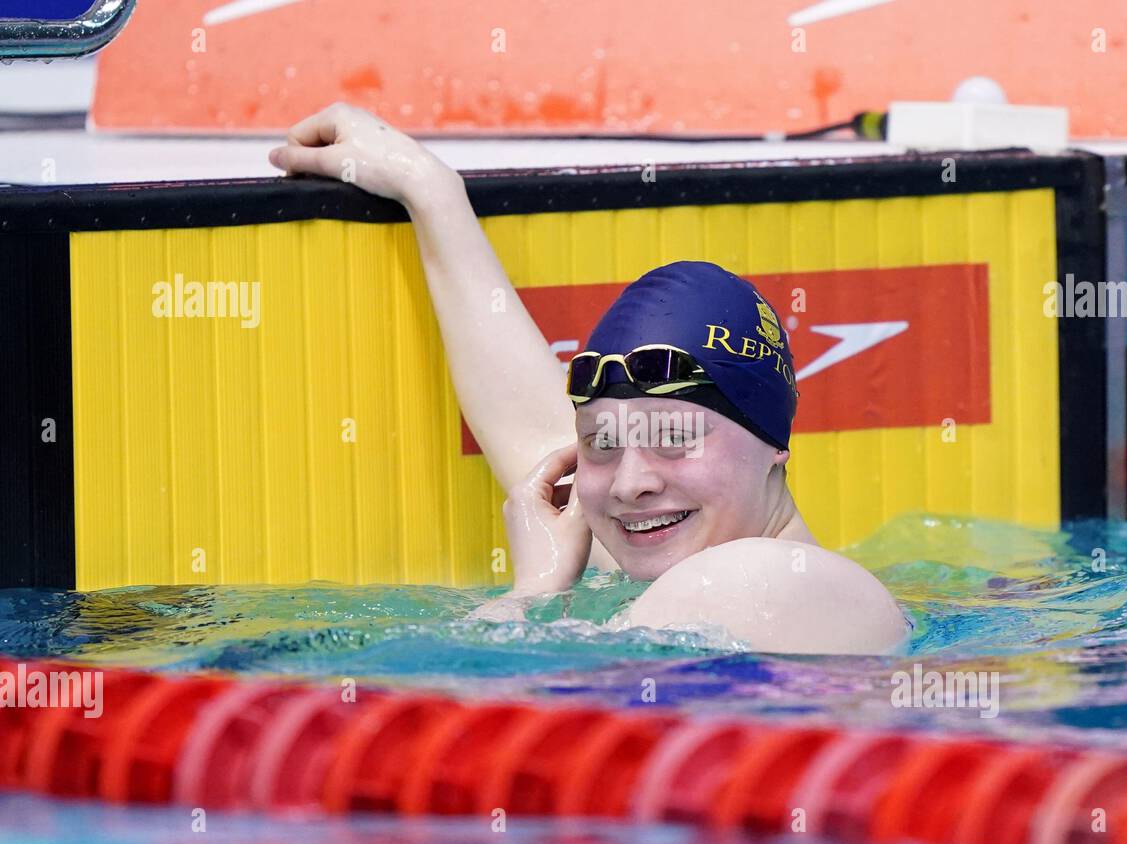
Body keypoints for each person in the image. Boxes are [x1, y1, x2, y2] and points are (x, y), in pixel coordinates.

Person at [269, 103, 906, 654]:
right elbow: (529, 423)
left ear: (774, 443)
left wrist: (534, 593)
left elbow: (492, 693)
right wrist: (428, 189)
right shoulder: (687, 556)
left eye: (674, 439)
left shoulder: (763, 580)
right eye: (601, 445)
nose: (630, 485)